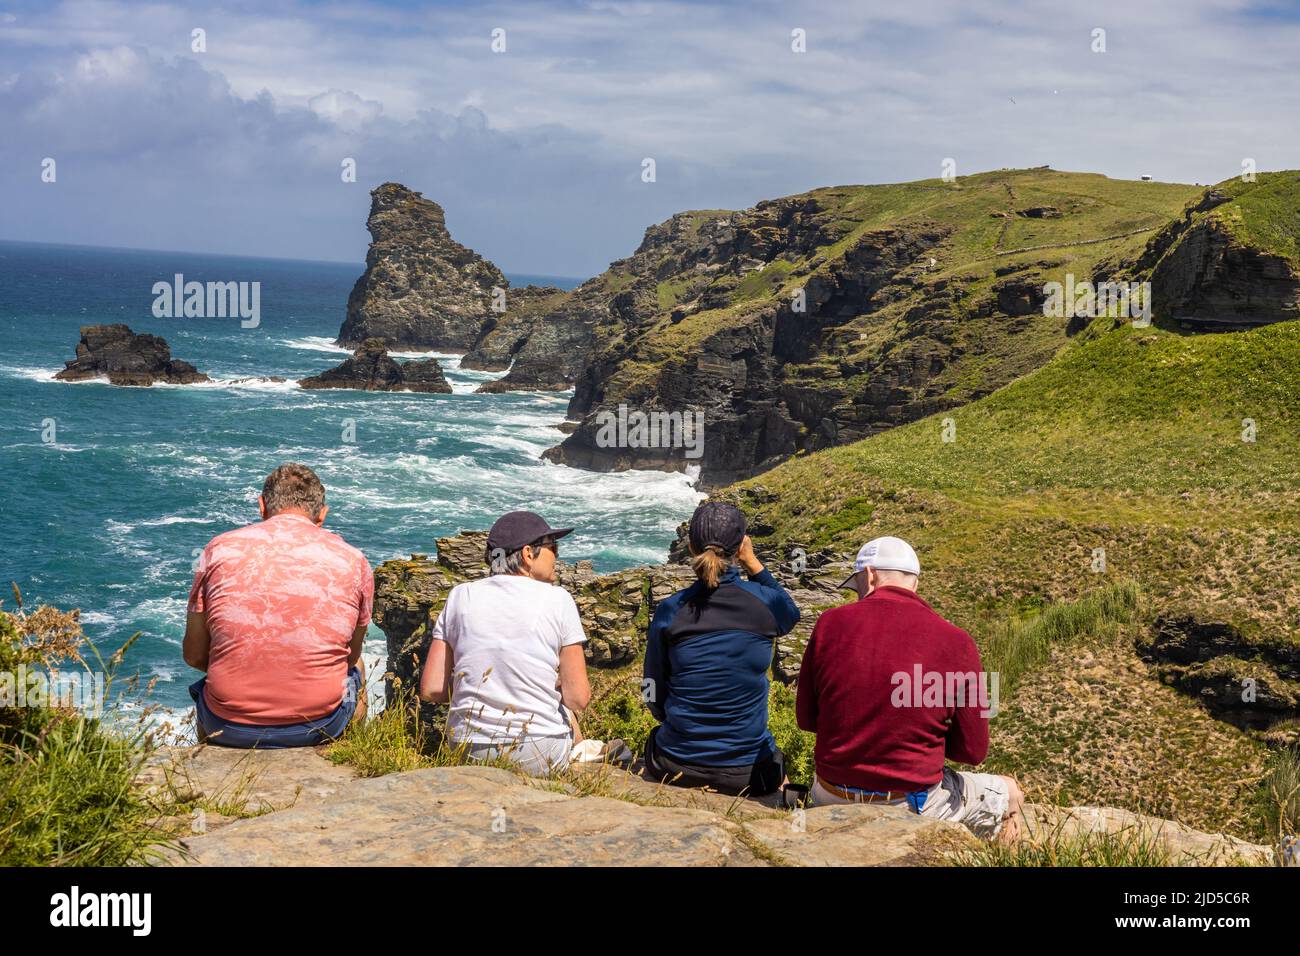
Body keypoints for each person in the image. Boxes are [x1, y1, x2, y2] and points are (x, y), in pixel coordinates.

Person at [795, 536, 1025, 841]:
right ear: (914, 583)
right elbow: (973, 751)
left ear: (870, 576)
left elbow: (806, 720)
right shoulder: (958, 642)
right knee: (1011, 793)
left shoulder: (828, 623)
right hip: (911, 802)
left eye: (857, 588)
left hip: (830, 794)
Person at [182, 463, 372, 748]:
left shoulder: (218, 549)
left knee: (219, 672)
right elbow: (348, 656)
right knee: (358, 664)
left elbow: (194, 656)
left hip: (226, 726)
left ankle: (212, 771)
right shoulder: (354, 560)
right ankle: (347, 756)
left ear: (262, 506)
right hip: (321, 725)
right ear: (322, 515)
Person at [641, 501, 799, 797]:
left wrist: (673, 721)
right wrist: (753, 564)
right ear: (741, 546)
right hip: (749, 775)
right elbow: (791, 612)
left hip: (674, 764)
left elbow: (650, 686)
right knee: (776, 762)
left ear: (690, 546)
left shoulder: (671, 610)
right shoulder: (765, 604)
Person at [419, 511, 590, 776]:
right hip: (538, 754)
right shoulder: (559, 599)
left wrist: (482, 684)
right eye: (552, 548)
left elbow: (431, 690)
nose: (557, 555)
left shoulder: (460, 595)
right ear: (527, 554)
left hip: (468, 749)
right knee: (563, 703)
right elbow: (578, 698)